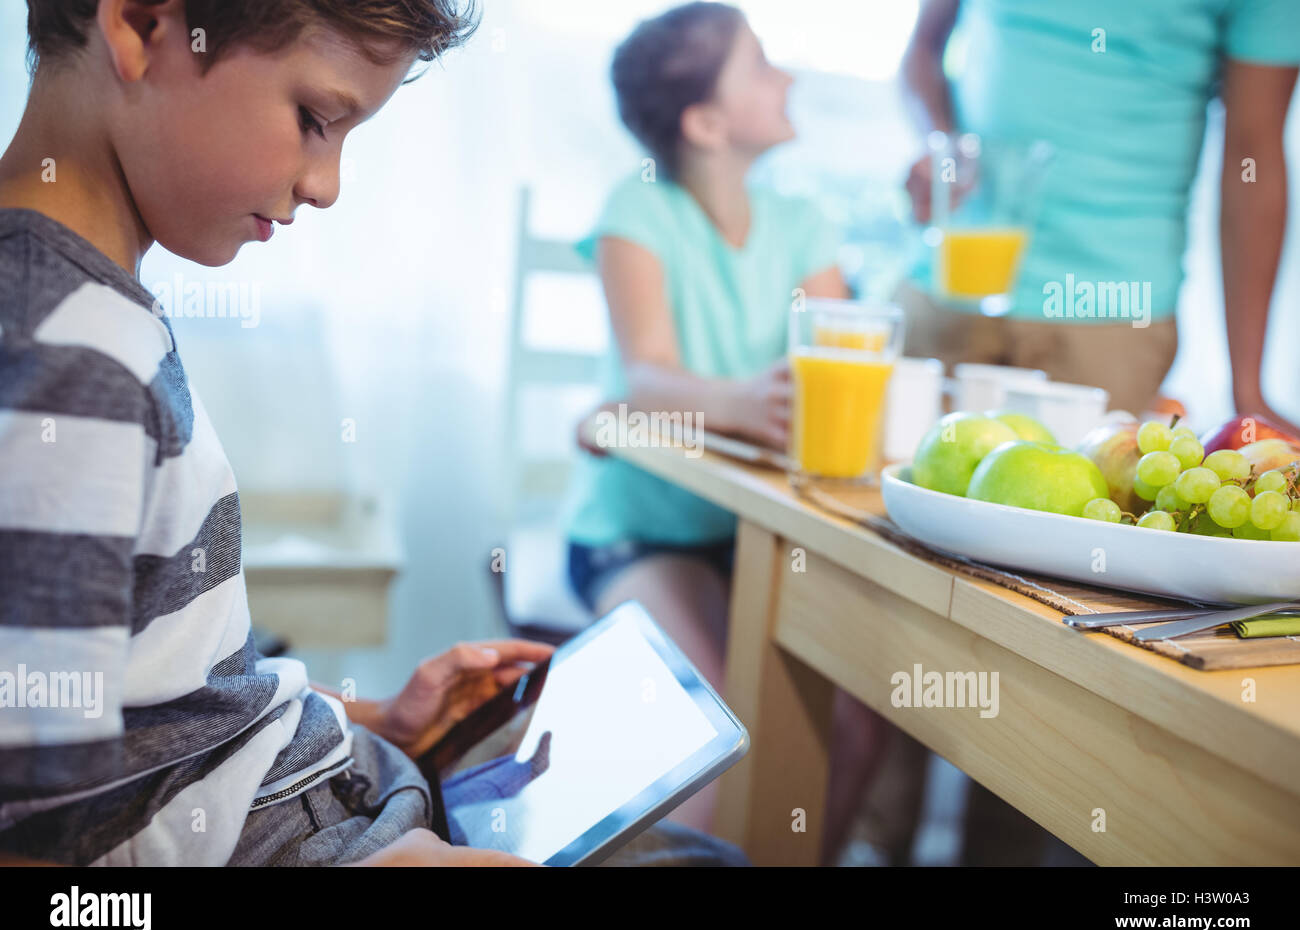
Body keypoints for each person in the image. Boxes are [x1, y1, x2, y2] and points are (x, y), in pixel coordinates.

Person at [0, 0, 745, 868]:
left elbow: (163, 707)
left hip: (328, 781)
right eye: (315, 120)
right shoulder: (66, 355)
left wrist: (374, 718)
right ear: (138, 24)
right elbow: (40, 849)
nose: (326, 184)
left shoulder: (90, 314)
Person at [867, 0, 1300, 865]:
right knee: (883, 592)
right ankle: (867, 843)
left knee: (1055, 643)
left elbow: (1254, 149)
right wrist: (937, 139)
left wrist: (1250, 384)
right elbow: (921, 51)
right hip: (948, 281)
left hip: (1114, 308)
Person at [561, 2, 884, 859]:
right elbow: (650, 376)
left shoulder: (800, 222)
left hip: (759, 538)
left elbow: (842, 348)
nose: (789, 78)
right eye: (762, 66)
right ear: (706, 121)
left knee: (855, 720)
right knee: (711, 715)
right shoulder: (637, 212)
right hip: (642, 532)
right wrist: (741, 403)